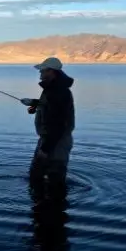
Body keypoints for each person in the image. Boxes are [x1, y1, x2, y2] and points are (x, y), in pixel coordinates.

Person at [21, 57, 75, 189]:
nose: (40, 74)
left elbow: (58, 123)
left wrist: (45, 148)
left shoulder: (59, 92)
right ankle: (44, 205)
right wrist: (35, 104)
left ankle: (54, 206)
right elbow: (50, 108)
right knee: (37, 176)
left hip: (57, 140)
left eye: (42, 71)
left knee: (54, 179)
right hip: (50, 138)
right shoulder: (53, 88)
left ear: (51, 71)